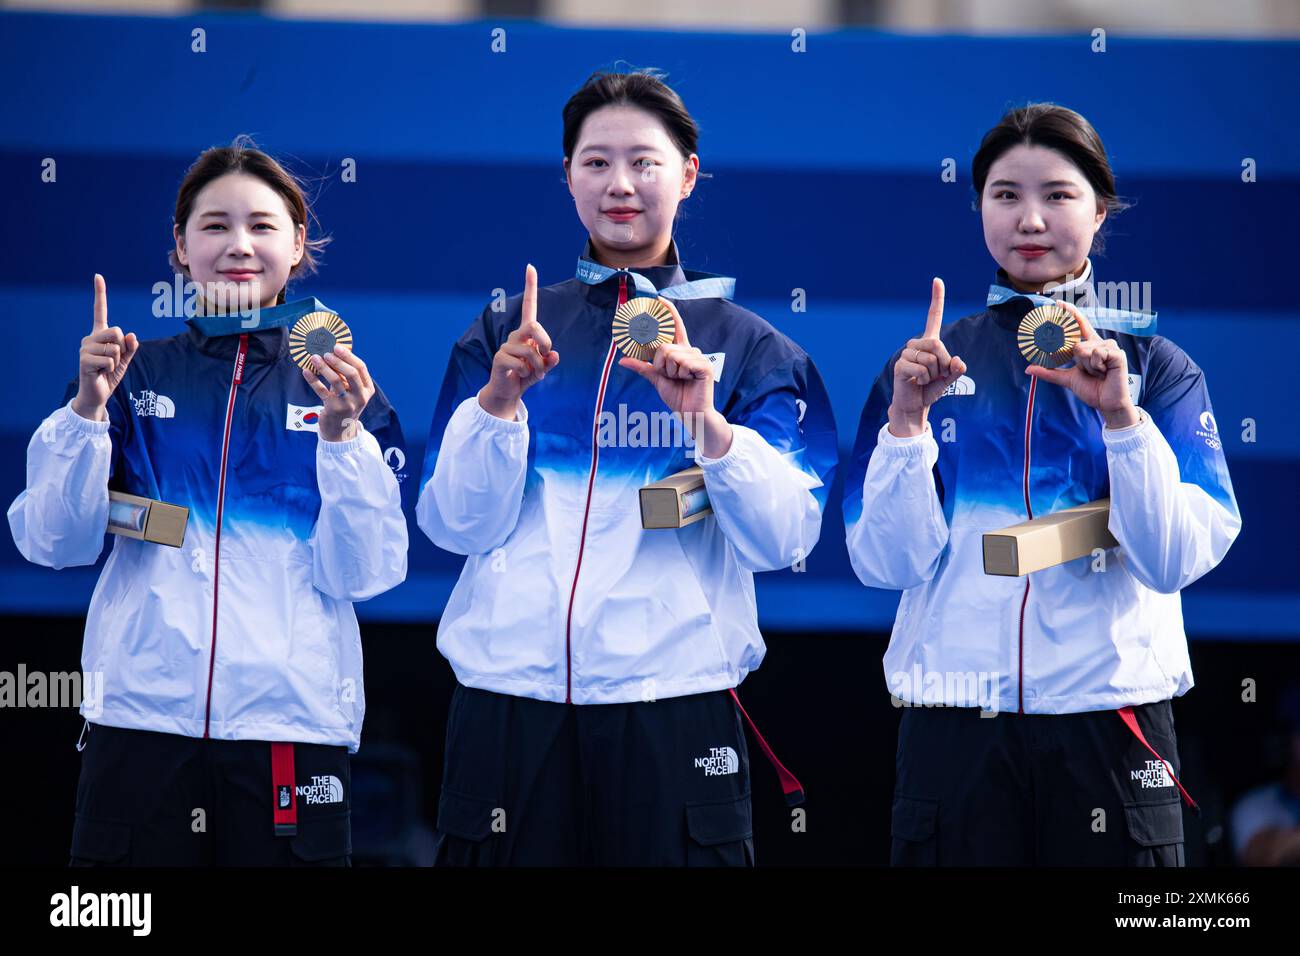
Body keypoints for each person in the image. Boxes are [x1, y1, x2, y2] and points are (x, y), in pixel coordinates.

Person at [417, 69, 838, 865]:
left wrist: (708, 428)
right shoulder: (506, 330)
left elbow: (785, 539)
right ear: (567, 175)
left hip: (669, 705)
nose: (619, 184)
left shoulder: (750, 346)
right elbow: (452, 523)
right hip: (509, 702)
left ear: (687, 173)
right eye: (596, 162)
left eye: (644, 162)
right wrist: (500, 401)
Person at [843, 103, 1241, 866]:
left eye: (1057, 195)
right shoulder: (929, 364)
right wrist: (905, 426)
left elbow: (1172, 560)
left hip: (1109, 722)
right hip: (954, 724)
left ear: (1100, 210)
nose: (1030, 218)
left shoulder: (1157, 367)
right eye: (1005, 195)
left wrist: (1123, 421)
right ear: (979, 208)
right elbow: (885, 566)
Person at [7, 137, 409, 866]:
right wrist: (88, 413)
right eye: (215, 225)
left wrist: (346, 438)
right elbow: (53, 544)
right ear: (181, 248)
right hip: (140, 721)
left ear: (297, 246)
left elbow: (367, 574)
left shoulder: (344, 390)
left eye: (261, 225)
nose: (239, 245)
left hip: (292, 728)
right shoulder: (128, 371)